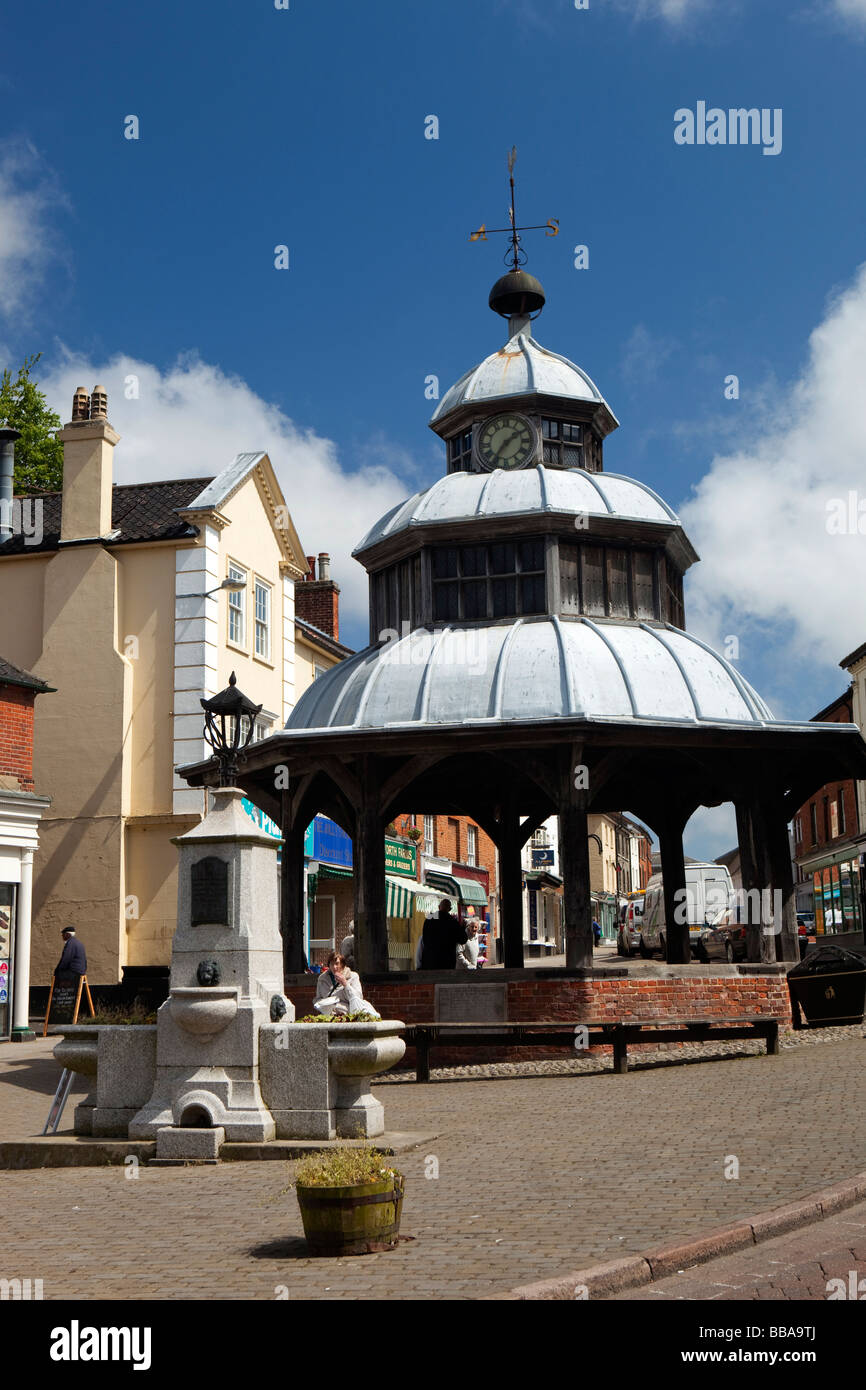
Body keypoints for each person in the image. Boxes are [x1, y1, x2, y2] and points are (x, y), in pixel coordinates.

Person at [313, 952, 380, 1018]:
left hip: (349, 1015)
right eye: (331, 964)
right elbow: (318, 999)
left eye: (337, 964)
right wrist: (323, 1006)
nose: (334, 967)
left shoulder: (353, 976)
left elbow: (358, 997)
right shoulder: (322, 979)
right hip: (330, 1016)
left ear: (342, 965)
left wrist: (345, 983)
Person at [419, 899, 467, 971]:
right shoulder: (453, 922)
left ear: (439, 907)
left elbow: (424, 938)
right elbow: (463, 939)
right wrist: (463, 927)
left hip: (430, 961)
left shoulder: (429, 919)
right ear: (450, 909)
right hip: (447, 962)